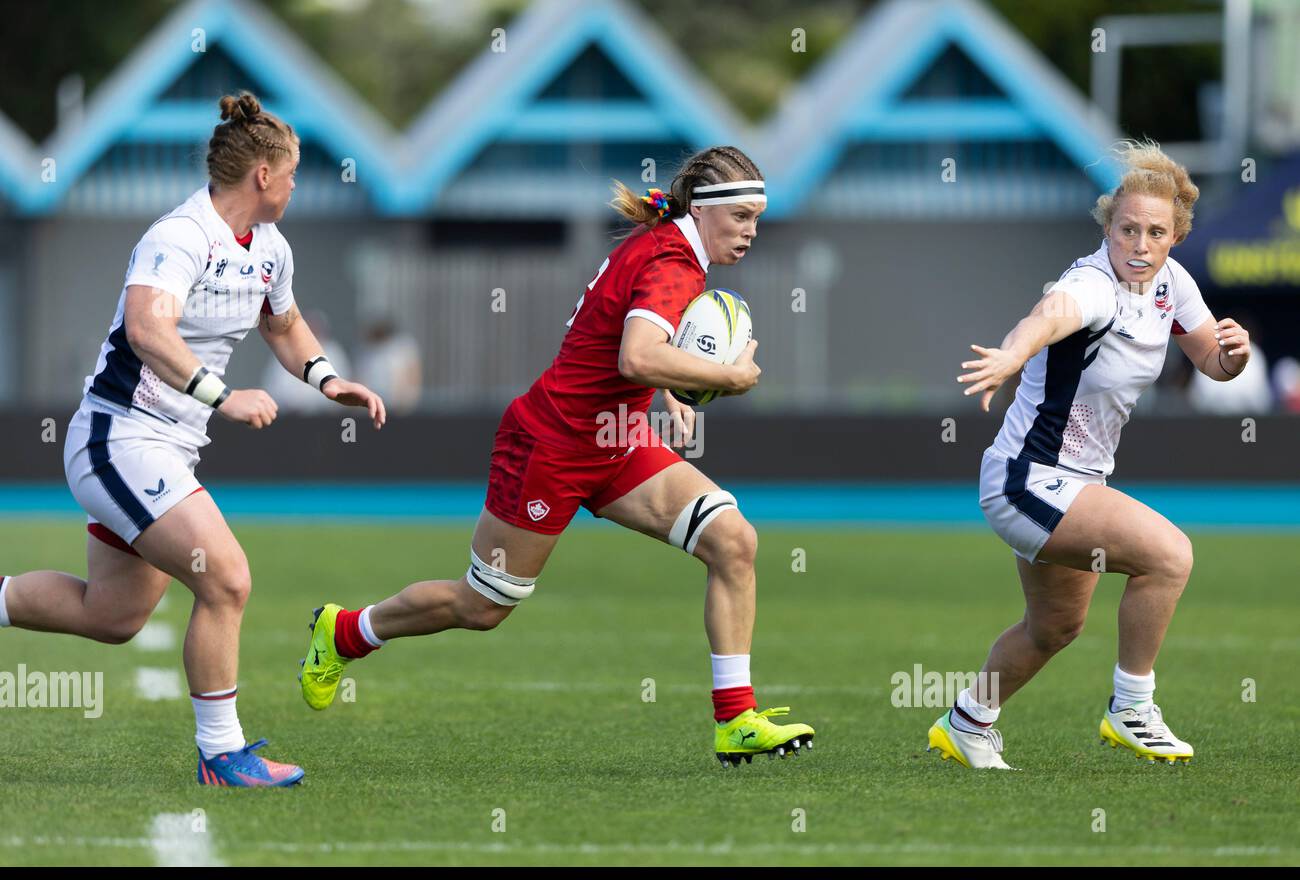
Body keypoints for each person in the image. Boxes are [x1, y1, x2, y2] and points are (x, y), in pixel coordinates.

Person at [298, 146, 815, 766]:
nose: (752, 231)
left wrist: (674, 393)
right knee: (482, 606)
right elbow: (636, 356)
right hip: (551, 445)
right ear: (703, 212)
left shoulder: (671, 245)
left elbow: (626, 351)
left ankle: (735, 720)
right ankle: (346, 632)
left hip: (616, 438)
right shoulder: (673, 260)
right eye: (742, 217)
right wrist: (727, 377)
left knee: (732, 540)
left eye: (758, 218)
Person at [0, 92, 387, 786]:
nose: (297, 186)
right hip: (118, 439)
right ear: (262, 175)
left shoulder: (270, 248)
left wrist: (329, 381)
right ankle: (221, 754)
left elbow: (283, 326)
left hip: (165, 445)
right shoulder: (178, 235)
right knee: (228, 578)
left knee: (113, 614)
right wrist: (223, 395)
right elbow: (150, 332)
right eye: (293, 173)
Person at [930, 140, 1251, 769]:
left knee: (1053, 628)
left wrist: (1232, 358)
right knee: (1169, 556)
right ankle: (1132, 708)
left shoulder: (1173, 284)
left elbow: (1212, 362)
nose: (1138, 244)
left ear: (1175, 238)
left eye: (1154, 232)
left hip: (1077, 483)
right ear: (1108, 227)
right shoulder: (1091, 284)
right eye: (1126, 228)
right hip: (1028, 479)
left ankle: (967, 722)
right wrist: (1012, 355)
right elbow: (1051, 315)